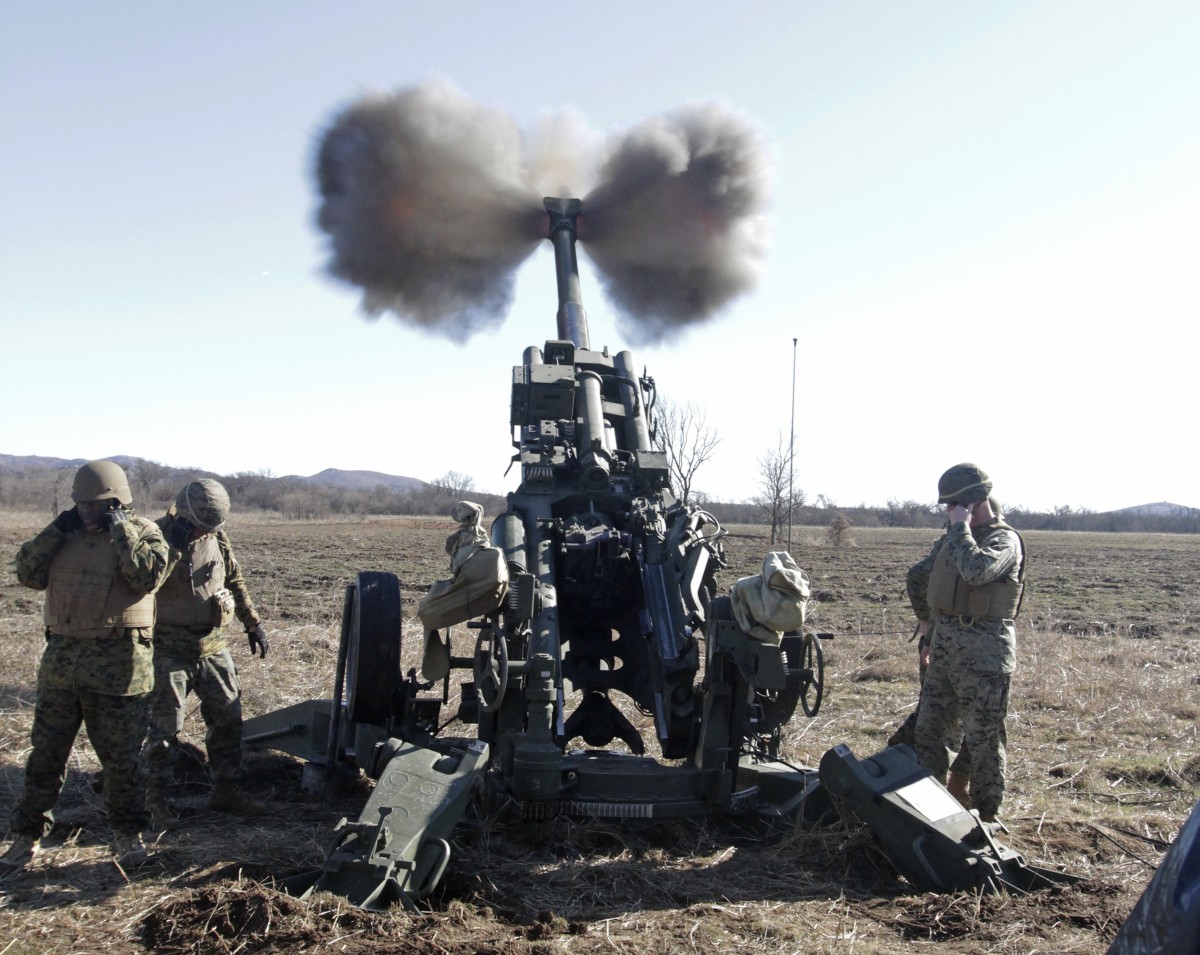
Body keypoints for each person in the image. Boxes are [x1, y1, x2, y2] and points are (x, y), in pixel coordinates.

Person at [1, 460, 170, 876]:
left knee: (122, 762)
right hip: (62, 667)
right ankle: (26, 838)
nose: (85, 511)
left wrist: (120, 529)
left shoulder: (146, 534)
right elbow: (27, 572)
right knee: (45, 757)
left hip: (120, 670)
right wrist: (58, 528)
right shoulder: (64, 535)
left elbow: (145, 576)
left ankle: (128, 837)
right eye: (80, 504)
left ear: (116, 502)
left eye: (94, 505)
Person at [143, 479, 269, 829]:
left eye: (210, 527)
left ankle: (225, 791)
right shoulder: (155, 537)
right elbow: (142, 585)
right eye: (200, 525)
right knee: (165, 729)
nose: (204, 531)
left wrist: (252, 624)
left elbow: (234, 579)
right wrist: (172, 550)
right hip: (168, 648)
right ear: (182, 512)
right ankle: (155, 804)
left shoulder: (216, 539)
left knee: (228, 719)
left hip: (213, 645)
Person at [913, 463, 1025, 822]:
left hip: (984, 660)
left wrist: (961, 527)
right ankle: (928, 812)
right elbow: (930, 584)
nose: (947, 512)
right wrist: (928, 637)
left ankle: (987, 818)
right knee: (929, 733)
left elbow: (977, 571)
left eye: (953, 506)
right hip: (944, 652)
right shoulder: (952, 538)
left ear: (974, 502)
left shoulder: (1003, 540)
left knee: (983, 741)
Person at [889, 560, 971, 806]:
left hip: (968, 647)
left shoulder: (990, 542)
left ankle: (899, 761)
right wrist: (926, 625)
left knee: (955, 720)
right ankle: (900, 764)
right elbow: (918, 574)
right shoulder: (959, 541)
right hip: (943, 642)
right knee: (940, 718)